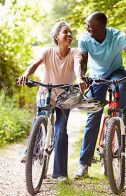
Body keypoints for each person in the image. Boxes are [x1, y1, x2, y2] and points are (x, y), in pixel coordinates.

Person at [75, 11, 126, 178]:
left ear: (101, 27)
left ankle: (123, 131)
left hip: (116, 72)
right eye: (87, 24)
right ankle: (83, 164)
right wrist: (81, 76)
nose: (87, 27)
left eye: (90, 25)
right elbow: (82, 60)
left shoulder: (118, 36)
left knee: (121, 87)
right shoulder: (85, 38)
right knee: (93, 117)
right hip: (97, 77)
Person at [17, 21, 85, 181]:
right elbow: (34, 64)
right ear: (56, 37)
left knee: (61, 131)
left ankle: (60, 173)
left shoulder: (75, 52)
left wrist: (80, 77)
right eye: (65, 32)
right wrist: (26, 74)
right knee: (40, 119)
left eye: (70, 32)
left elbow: (77, 66)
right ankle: (31, 151)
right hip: (45, 92)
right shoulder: (48, 52)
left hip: (64, 97)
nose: (69, 35)